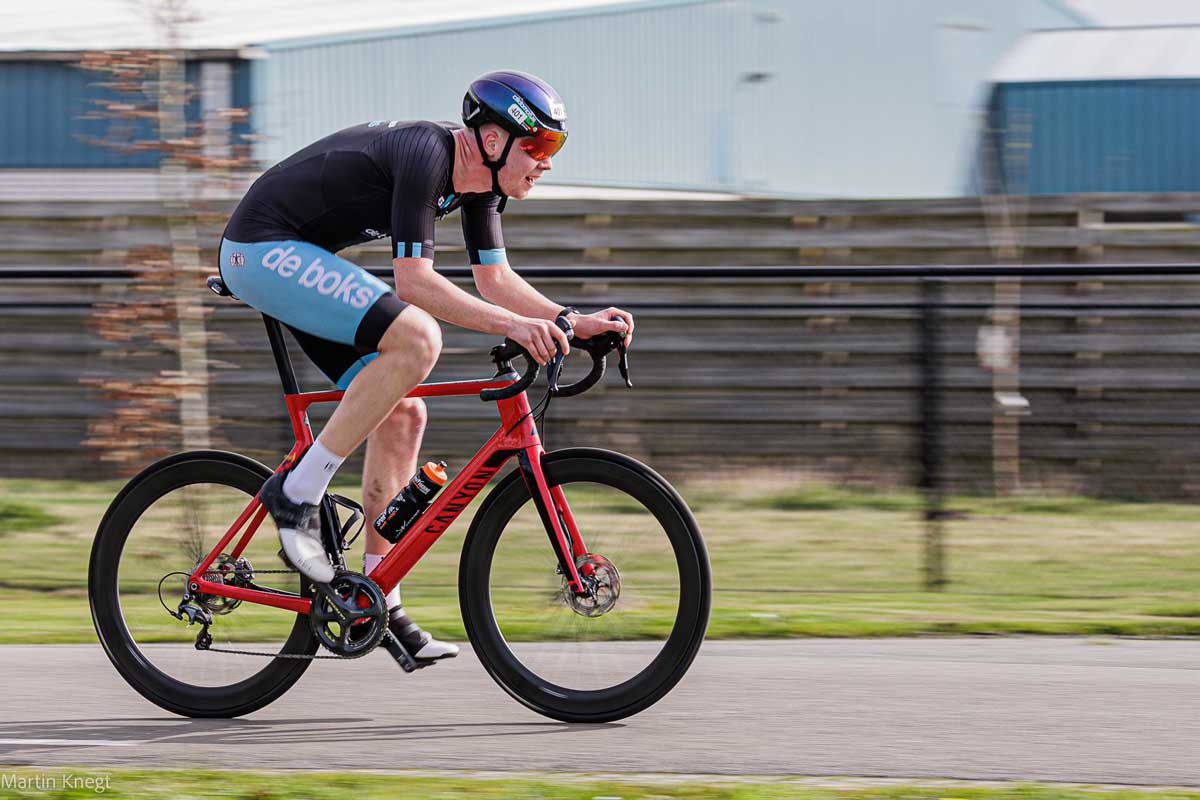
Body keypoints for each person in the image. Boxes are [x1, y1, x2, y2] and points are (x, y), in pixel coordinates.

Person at [217, 70, 634, 661]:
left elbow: (494, 280)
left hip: (296, 256)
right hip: (258, 250)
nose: (545, 162)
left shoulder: (480, 187)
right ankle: (295, 493)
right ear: (492, 140)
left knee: (404, 414)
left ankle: (376, 601)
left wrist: (573, 318)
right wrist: (514, 327)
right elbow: (413, 281)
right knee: (417, 339)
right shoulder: (427, 153)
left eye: (553, 148)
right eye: (537, 146)